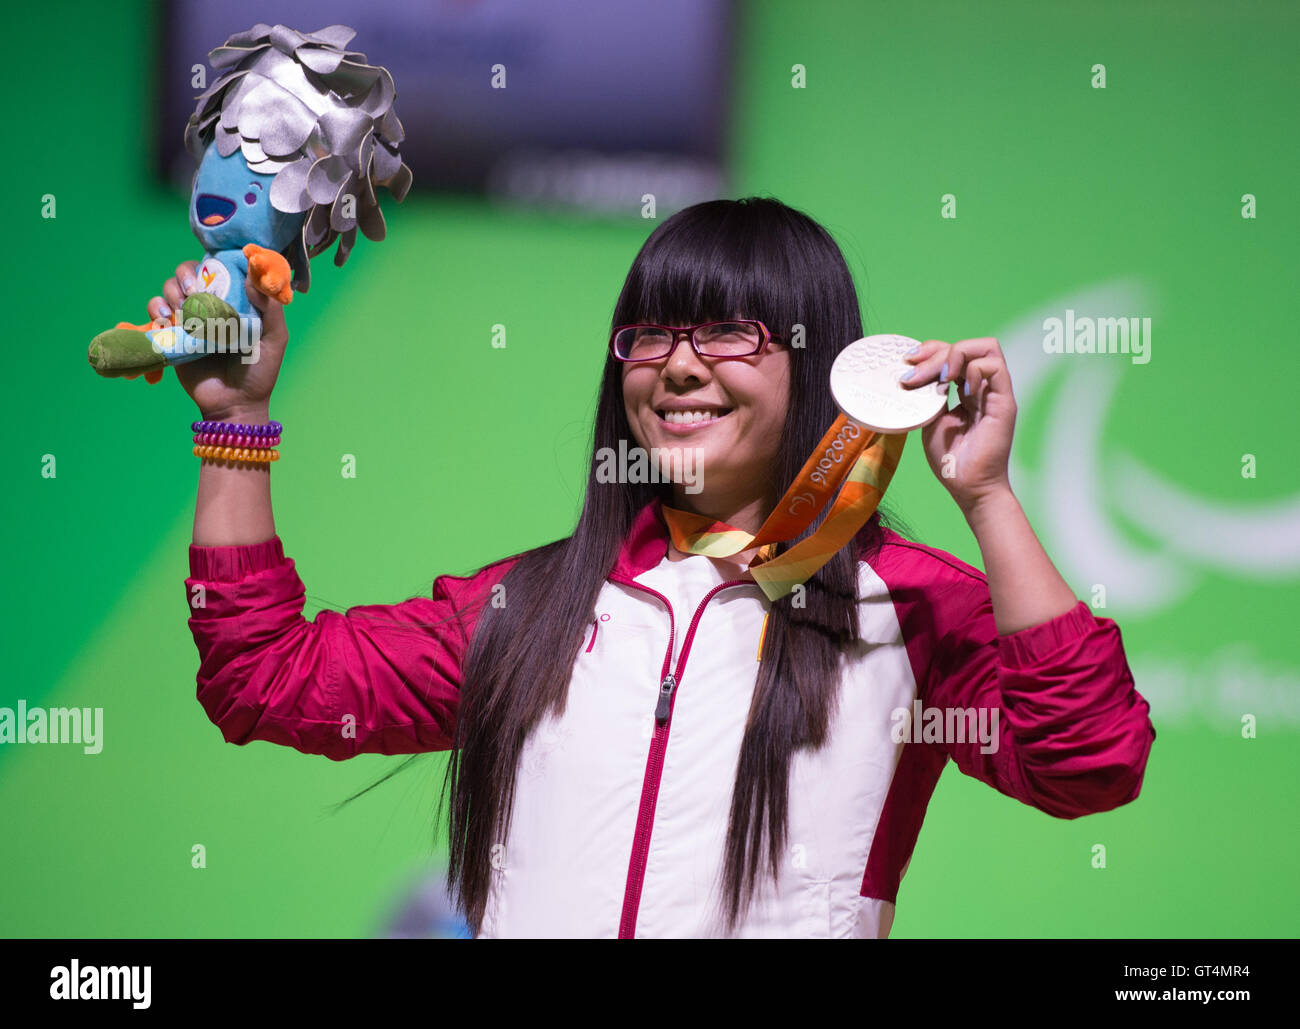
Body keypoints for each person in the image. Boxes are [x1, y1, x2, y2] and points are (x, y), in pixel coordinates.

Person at [173, 196, 1155, 939]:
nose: (678, 366)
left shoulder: (907, 605)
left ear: (815, 365)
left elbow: (1089, 762)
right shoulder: (532, 606)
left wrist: (985, 497)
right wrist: (233, 422)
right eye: (651, 335)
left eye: (729, 332)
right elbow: (262, 677)